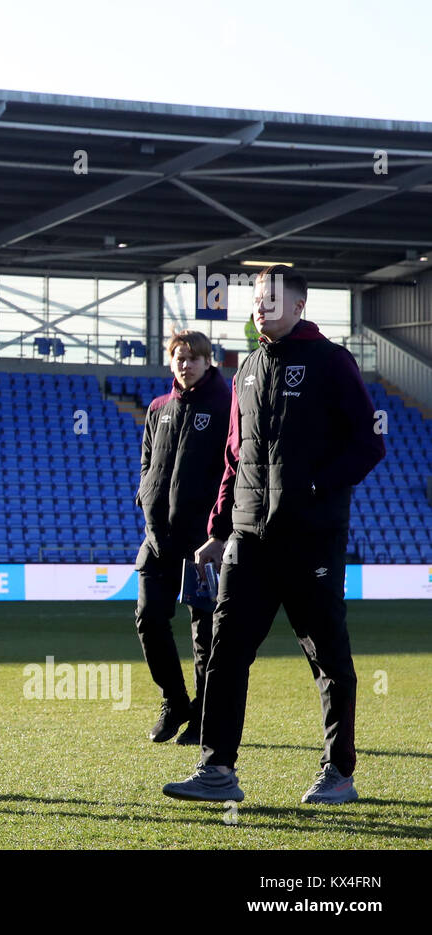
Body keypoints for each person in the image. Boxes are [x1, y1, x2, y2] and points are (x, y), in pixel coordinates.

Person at [163, 265, 385, 805]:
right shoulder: (248, 369)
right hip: (247, 540)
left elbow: (368, 444)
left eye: (272, 299)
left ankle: (339, 773)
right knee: (226, 651)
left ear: (300, 306)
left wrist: (313, 486)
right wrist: (218, 529)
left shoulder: (333, 363)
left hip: (311, 538)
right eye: (257, 298)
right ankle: (217, 769)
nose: (261, 306)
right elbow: (235, 457)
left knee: (327, 656)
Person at [134, 330, 230, 746]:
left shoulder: (227, 406)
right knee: (149, 619)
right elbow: (146, 466)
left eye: (193, 357)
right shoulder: (158, 408)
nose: (184, 363)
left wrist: (220, 531)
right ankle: (175, 703)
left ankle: (204, 718)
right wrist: (146, 501)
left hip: (203, 543)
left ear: (208, 361)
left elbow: (234, 468)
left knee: (205, 632)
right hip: (157, 540)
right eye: (177, 356)